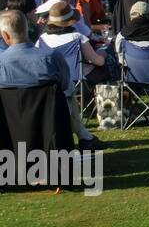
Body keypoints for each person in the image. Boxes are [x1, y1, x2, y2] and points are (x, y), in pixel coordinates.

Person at [0, 9, 104, 149]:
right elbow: (66, 85)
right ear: (26, 29)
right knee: (68, 91)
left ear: (5, 35)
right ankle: (83, 135)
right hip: (50, 124)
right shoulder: (51, 57)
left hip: (10, 129)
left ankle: (84, 135)